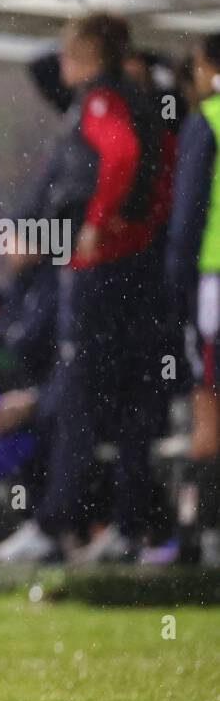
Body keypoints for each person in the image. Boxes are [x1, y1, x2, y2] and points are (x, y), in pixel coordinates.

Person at [0, 13, 167, 563]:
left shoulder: (101, 102)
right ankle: (127, 527)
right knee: (132, 402)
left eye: (68, 53)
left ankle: (54, 525)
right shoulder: (143, 100)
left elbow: (121, 157)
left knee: (78, 395)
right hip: (138, 270)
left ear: (84, 57)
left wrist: (95, 225)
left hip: (99, 271)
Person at [166, 34, 220, 562]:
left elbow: (187, 218)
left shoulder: (207, 120)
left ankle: (201, 543)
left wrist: (174, 286)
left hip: (213, 278)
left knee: (208, 408)